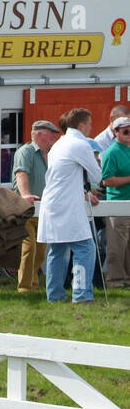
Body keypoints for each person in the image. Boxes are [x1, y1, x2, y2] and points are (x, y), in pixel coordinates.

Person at [37, 108, 102, 304]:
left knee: (57, 250)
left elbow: (63, 176)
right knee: (85, 248)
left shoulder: (59, 144)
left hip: (53, 202)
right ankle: (82, 295)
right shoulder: (80, 145)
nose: (91, 128)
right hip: (67, 205)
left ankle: (55, 296)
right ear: (81, 125)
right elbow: (96, 176)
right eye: (89, 124)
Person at [11, 120, 61, 293]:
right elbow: (21, 173)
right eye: (51, 133)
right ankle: (25, 289)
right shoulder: (26, 151)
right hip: (27, 209)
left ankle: (32, 284)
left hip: (44, 209)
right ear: (39, 134)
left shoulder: (50, 154)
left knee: (40, 250)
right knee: (29, 247)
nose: (55, 137)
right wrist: (25, 195)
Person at [99, 115, 130, 288]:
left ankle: (127, 279)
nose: (129, 134)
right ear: (116, 132)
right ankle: (116, 281)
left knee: (128, 246)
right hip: (118, 205)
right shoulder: (112, 152)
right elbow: (107, 180)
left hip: (129, 204)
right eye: (125, 131)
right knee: (117, 247)